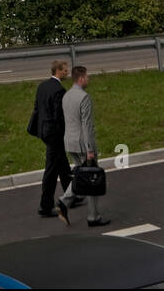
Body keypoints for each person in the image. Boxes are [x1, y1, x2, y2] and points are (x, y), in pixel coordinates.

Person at [58, 65, 111, 228]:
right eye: (87, 77)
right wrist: (89, 150)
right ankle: (93, 217)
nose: (88, 79)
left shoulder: (66, 96)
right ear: (81, 78)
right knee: (91, 179)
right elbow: (86, 125)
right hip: (83, 144)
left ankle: (63, 203)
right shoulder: (84, 97)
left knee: (82, 175)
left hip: (70, 142)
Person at [32, 58, 74, 218]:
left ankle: (71, 196)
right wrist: (67, 133)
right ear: (58, 71)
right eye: (65, 70)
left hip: (44, 131)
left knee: (62, 165)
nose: (67, 72)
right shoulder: (59, 90)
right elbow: (59, 117)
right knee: (51, 170)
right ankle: (45, 206)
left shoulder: (42, 86)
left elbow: (37, 109)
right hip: (55, 135)